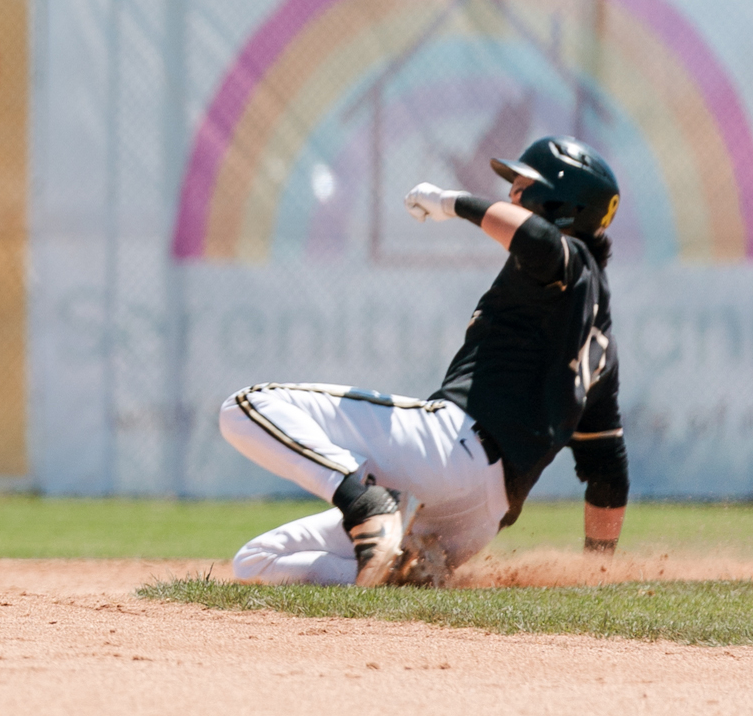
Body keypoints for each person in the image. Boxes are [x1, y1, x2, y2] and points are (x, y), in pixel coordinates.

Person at [218, 135, 629, 586]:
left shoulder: (571, 260)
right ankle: (408, 575)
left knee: (247, 407)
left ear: (560, 201)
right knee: (256, 561)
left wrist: (450, 201)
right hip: (477, 522)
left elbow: (540, 241)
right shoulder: (598, 344)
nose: (512, 192)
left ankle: (365, 504)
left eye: (523, 184)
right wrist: (596, 573)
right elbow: (607, 470)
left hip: (451, 451)